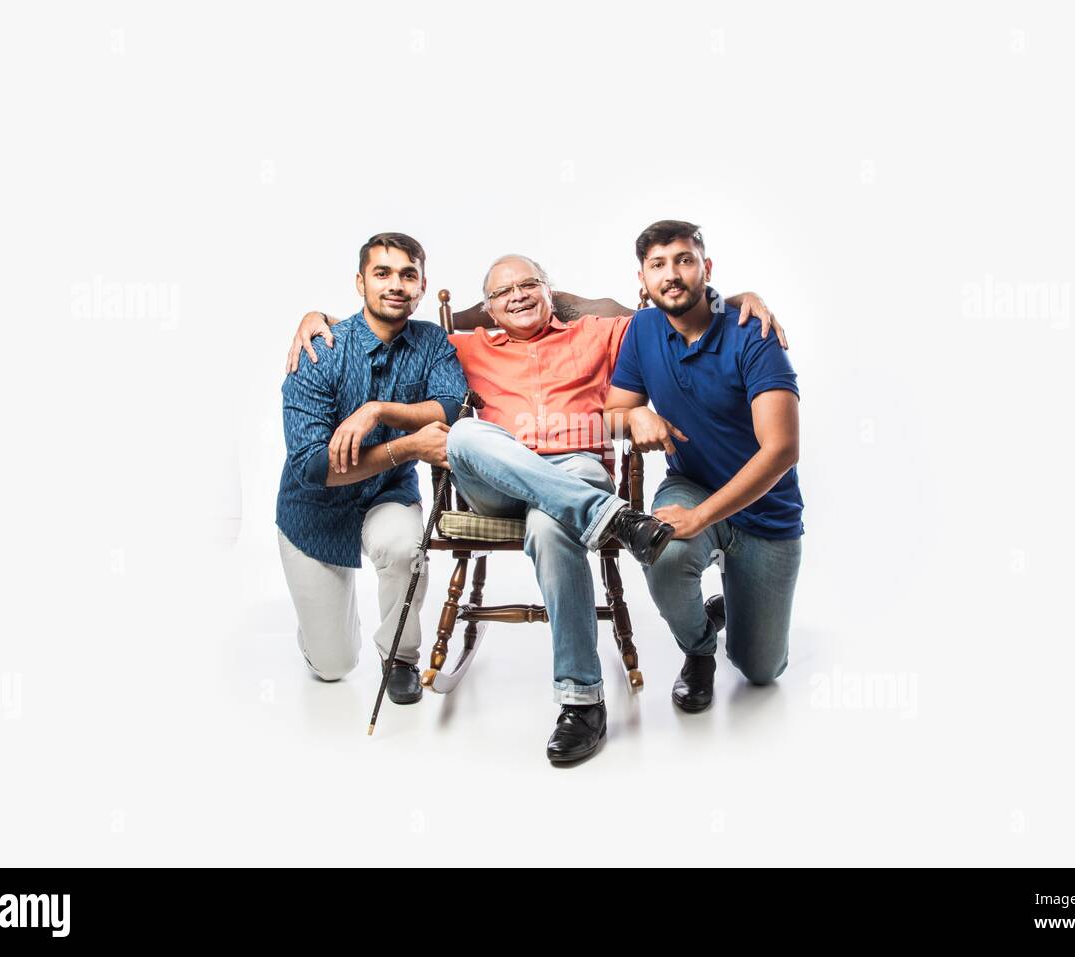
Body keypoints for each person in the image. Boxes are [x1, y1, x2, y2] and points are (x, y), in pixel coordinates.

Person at [286, 251, 784, 763]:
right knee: (465, 435)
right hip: (498, 481)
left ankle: (582, 701)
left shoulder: (600, 333)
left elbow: (678, 310)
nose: (518, 296)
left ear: (551, 292)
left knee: (550, 526)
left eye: (530, 284)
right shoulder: (463, 346)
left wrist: (738, 299)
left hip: (577, 471)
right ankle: (613, 518)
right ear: (489, 308)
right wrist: (316, 317)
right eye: (502, 293)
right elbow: (393, 325)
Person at [604, 221, 803, 713]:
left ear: (705, 268)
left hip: (766, 510)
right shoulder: (643, 329)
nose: (672, 275)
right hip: (689, 484)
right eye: (658, 265)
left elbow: (781, 450)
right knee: (664, 552)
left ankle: (728, 608)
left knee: (761, 670)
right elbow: (611, 418)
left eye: (684, 260)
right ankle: (698, 649)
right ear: (643, 280)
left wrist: (702, 519)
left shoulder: (752, 332)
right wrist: (635, 414)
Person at [277, 232, 464, 705]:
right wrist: (409, 446)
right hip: (312, 512)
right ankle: (322, 631)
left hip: (387, 495)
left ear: (422, 287)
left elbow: (448, 405)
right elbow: (314, 468)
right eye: (382, 273)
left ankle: (399, 655)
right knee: (334, 665)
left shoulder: (431, 341)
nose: (395, 284)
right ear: (361, 282)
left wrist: (378, 409)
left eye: (408, 275)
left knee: (405, 549)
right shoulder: (319, 349)